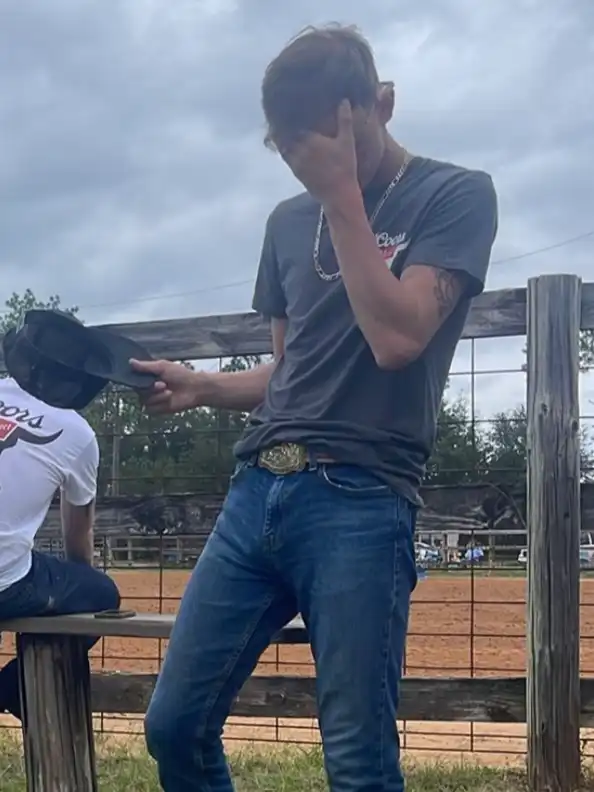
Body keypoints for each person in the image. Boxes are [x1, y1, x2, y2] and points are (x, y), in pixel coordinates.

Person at [135, 24, 498, 792]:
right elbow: (292, 369)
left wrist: (342, 200)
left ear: (382, 104)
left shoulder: (455, 194)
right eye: (296, 155)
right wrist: (202, 387)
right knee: (173, 726)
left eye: (333, 146)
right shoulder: (285, 222)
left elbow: (399, 338)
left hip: (360, 498)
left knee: (358, 761)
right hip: (254, 493)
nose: (318, 169)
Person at [0, 373, 120, 719]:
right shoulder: (77, 433)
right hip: (6, 583)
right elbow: (78, 537)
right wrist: (78, 577)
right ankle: (11, 687)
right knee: (101, 594)